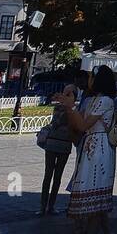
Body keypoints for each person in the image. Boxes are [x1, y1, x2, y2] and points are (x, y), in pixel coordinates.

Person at [57, 65, 117, 234]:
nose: (89, 79)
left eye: (93, 76)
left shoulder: (105, 101)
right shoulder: (92, 100)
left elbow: (84, 125)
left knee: (94, 193)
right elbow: (78, 125)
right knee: (91, 193)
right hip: (89, 145)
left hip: (98, 148)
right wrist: (69, 107)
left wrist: (70, 107)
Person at [38, 83, 75, 215]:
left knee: (57, 176)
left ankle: (50, 206)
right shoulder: (60, 108)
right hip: (54, 142)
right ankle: (43, 206)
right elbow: (60, 121)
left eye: (71, 94)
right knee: (48, 175)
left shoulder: (72, 109)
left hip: (64, 144)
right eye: (67, 94)